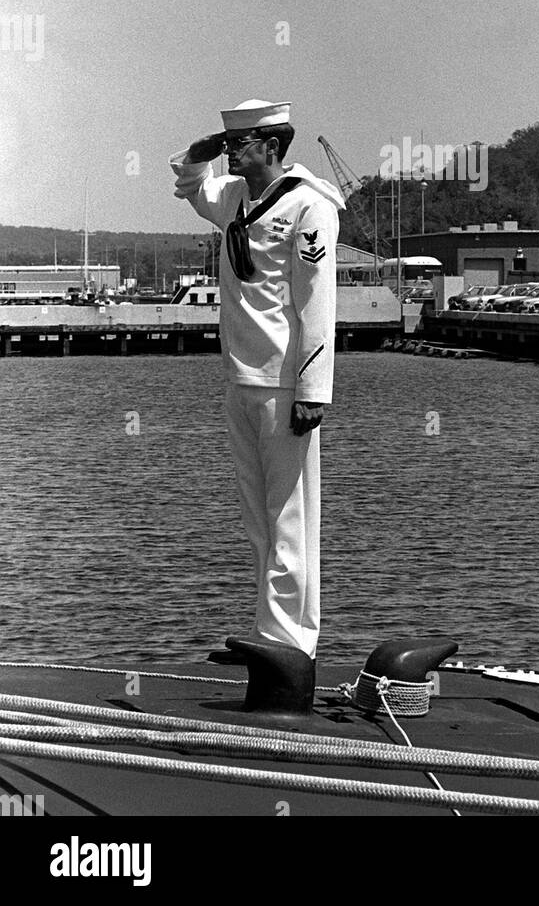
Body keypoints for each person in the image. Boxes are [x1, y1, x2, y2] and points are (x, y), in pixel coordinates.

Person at [169, 99, 345, 684]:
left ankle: (293, 643)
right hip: (241, 379)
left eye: (240, 143)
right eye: (227, 142)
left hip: (285, 382)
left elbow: (316, 301)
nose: (231, 151)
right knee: (259, 522)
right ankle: (269, 633)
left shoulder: (308, 207)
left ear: (272, 145)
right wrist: (197, 155)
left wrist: (313, 388)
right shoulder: (236, 201)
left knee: (291, 519)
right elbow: (193, 187)